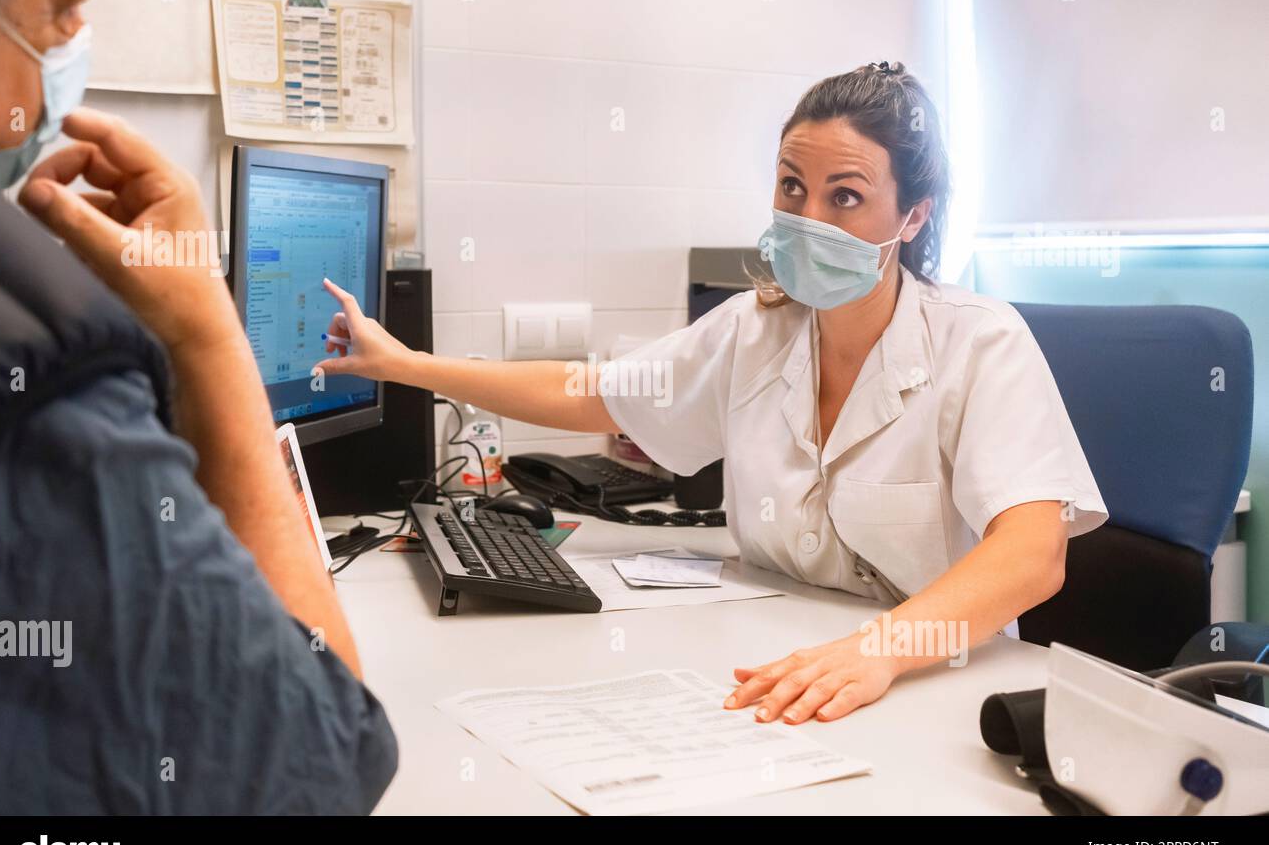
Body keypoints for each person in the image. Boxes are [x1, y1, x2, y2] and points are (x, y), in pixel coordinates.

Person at [317, 62, 1109, 726]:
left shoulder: (980, 342)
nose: (807, 217)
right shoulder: (752, 330)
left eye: (844, 196)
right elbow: (589, 393)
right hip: (786, 668)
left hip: (932, 682)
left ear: (914, 216)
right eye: (792, 187)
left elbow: (1032, 555)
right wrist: (407, 364)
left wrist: (879, 651)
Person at [0, 0, 396, 812]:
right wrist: (203, 328)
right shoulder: (34, 383)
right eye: (67, 0)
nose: (77, 35)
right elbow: (321, 752)